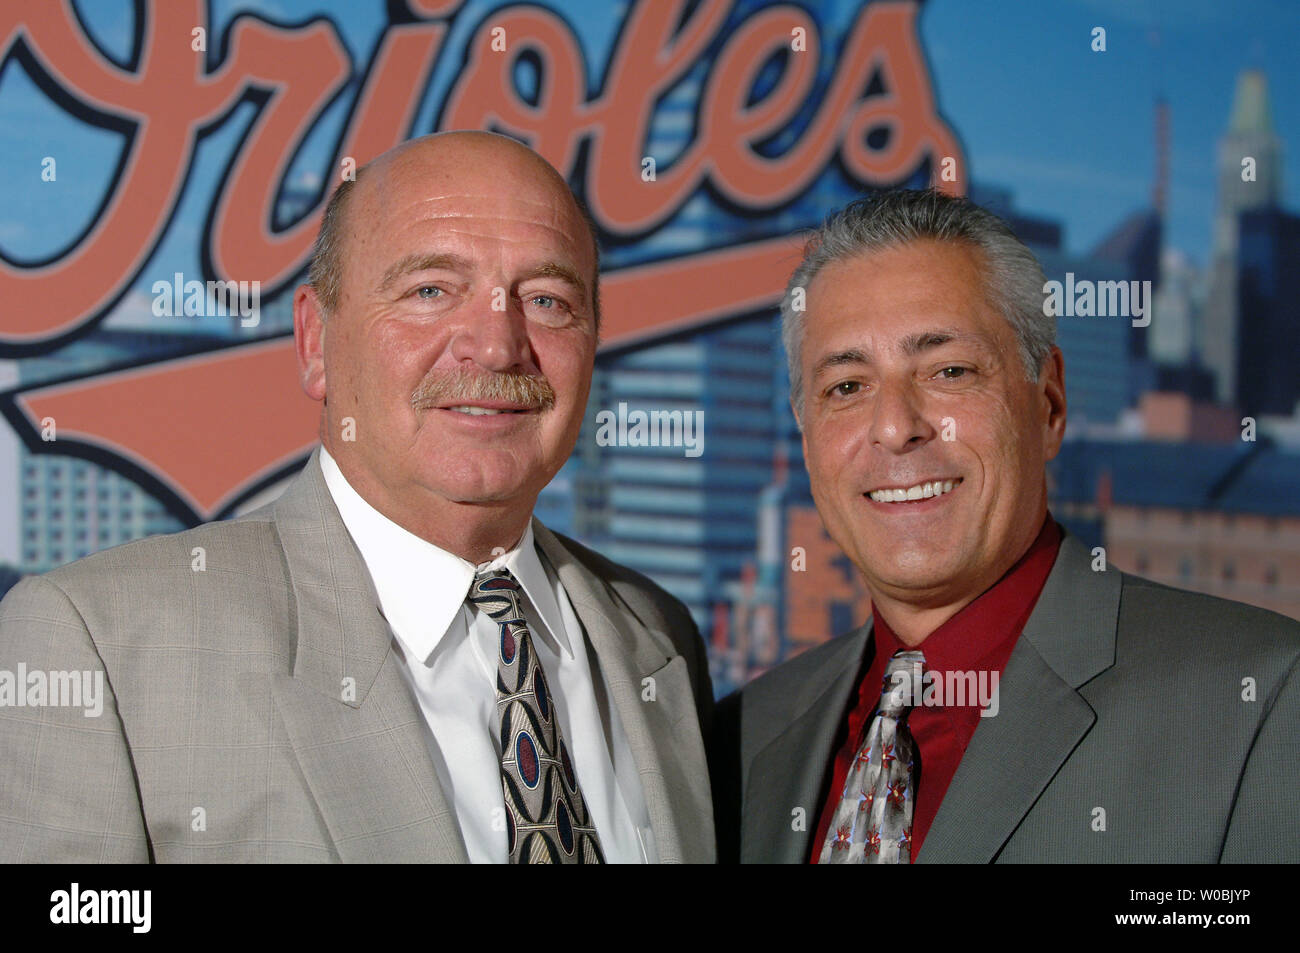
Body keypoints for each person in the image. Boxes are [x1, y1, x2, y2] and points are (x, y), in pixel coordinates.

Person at [0, 131, 714, 864]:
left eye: (547, 299)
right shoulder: (102, 647)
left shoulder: (657, 635)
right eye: (431, 290)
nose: (498, 345)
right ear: (315, 340)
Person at [711, 189, 1300, 864]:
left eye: (949, 370)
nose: (896, 425)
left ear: (1049, 404)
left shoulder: (1262, 703)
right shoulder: (741, 741)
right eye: (846, 386)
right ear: (807, 438)